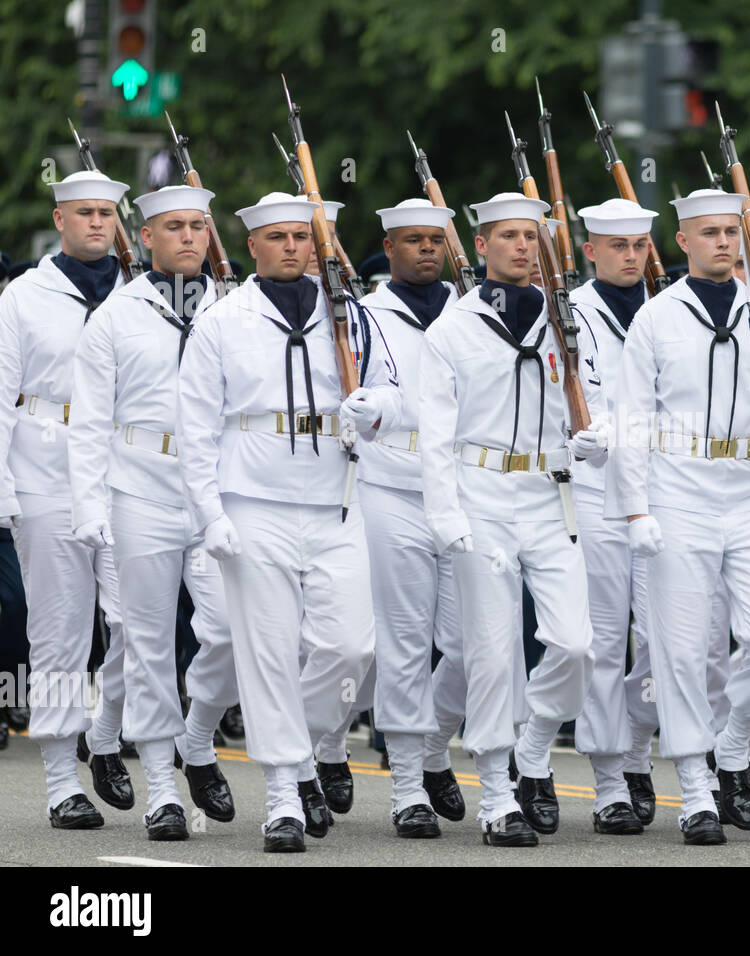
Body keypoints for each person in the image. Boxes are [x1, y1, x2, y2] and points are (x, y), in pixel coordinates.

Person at [177, 191, 401, 852]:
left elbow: (394, 390)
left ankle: (298, 751)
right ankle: (282, 798)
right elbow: (194, 429)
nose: (292, 248)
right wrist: (210, 513)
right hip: (254, 502)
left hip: (336, 500)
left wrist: (376, 408)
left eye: (301, 238)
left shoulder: (351, 313)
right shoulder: (223, 320)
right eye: (276, 238)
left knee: (351, 648)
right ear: (252, 247)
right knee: (267, 652)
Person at [609, 188, 750, 846]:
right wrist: (634, 507)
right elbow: (632, 418)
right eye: (710, 232)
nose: (724, 241)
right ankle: (694, 788)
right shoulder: (657, 317)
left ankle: (732, 738)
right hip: (680, 488)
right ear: (684, 242)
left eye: (731, 230)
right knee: (683, 650)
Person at [419, 192, 602, 847]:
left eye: (532, 236)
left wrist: (598, 436)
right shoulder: (453, 329)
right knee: (492, 654)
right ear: (484, 244)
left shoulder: (567, 319)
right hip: (482, 491)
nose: (523, 247)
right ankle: (497, 795)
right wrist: (444, 512)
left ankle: (534, 741)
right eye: (510, 237)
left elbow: (600, 399)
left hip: (551, 495)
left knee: (575, 642)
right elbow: (436, 435)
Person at [68, 184, 241, 841]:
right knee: (146, 645)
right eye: (175, 227)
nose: (191, 237)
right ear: (146, 238)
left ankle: (197, 741)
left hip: (214, 493)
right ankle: (164, 791)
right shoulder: (115, 316)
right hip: (139, 487)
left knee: (226, 630)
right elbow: (88, 422)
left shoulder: (233, 308)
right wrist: (90, 503)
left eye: (199, 225)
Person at [0, 170, 133, 829]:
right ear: (59, 220)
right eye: (84, 213)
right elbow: (0, 396)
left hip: (124, 472)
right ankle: (61, 783)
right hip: (45, 472)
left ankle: (104, 733)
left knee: (137, 623)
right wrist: (3, 490)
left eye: (107, 213)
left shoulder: (142, 295)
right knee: (57, 634)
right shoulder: (23, 297)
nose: (97, 224)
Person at [357, 197, 468, 837]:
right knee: (403, 642)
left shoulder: (476, 312)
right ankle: (406, 787)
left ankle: (431, 749)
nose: (426, 248)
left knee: (469, 645)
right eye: (412, 240)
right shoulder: (365, 317)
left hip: (462, 489)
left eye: (435, 238)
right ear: (390, 247)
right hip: (393, 485)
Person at [567, 197, 657, 833]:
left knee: (664, 641)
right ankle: (608, 780)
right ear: (590, 250)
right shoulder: (568, 313)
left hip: (661, 492)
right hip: (596, 491)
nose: (630, 257)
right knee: (602, 641)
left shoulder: (671, 311)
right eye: (617, 246)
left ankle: (639, 748)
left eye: (639, 246)